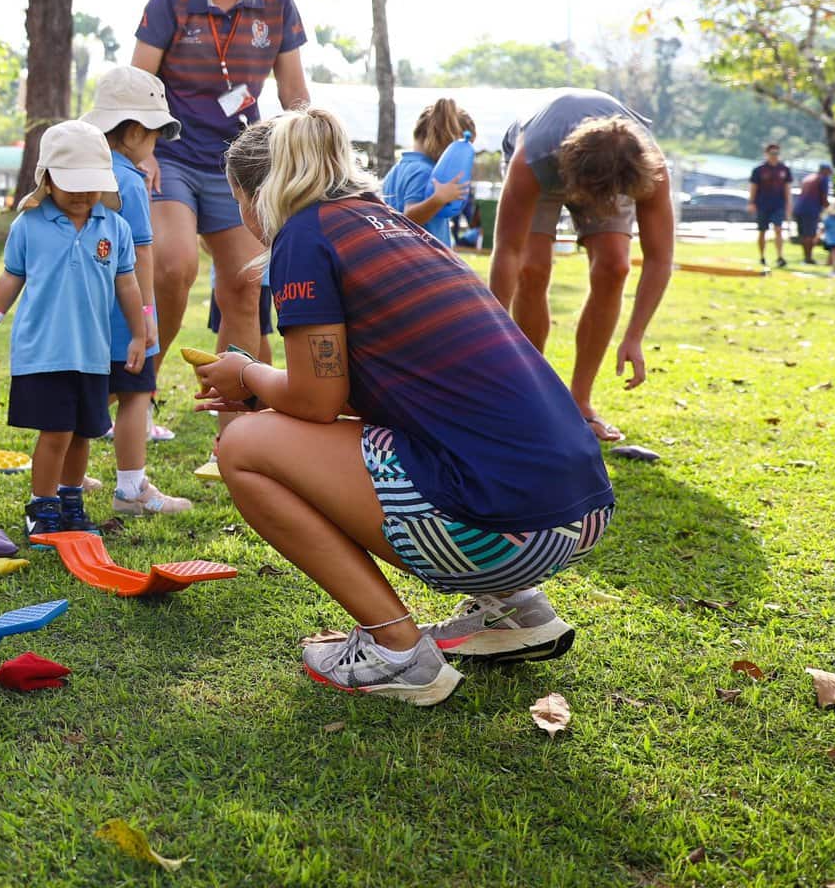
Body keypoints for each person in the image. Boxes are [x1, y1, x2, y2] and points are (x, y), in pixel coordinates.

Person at [196, 109, 613, 706]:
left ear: (256, 193)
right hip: (576, 513)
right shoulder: (389, 224)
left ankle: (395, 652)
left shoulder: (304, 236)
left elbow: (316, 400)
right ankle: (511, 612)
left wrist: (246, 374)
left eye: (237, 200)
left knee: (243, 447)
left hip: (501, 529)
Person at [130, 0, 310, 426]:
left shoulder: (276, 3)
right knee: (175, 264)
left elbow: (295, 94)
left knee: (245, 283)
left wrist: (304, 155)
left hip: (238, 166)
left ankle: (234, 424)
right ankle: (140, 390)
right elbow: (139, 82)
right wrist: (141, 151)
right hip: (175, 156)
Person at [0, 120, 147, 537]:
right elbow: (12, 277)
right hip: (44, 352)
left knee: (84, 432)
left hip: (93, 354)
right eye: (73, 183)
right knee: (57, 431)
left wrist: (139, 333)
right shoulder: (28, 226)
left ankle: (70, 501)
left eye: (92, 184)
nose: (84, 193)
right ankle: (41, 507)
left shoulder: (114, 228)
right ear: (47, 178)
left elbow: (127, 284)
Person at [488, 89, 674, 444]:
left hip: (611, 167)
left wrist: (634, 336)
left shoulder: (649, 166)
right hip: (552, 160)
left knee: (614, 267)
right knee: (532, 269)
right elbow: (507, 250)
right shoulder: (532, 158)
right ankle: (534, 398)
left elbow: (659, 258)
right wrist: (493, 331)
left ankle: (580, 402)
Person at [80, 66, 190, 516]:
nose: (155, 145)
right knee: (134, 393)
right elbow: (142, 253)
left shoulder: (81, 174)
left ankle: (68, 477)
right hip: (124, 315)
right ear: (132, 131)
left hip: (86, 314)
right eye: (154, 135)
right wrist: (146, 316)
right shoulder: (129, 179)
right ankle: (130, 490)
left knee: (88, 396)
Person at [380, 98, 476, 248]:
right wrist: (438, 199)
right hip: (423, 262)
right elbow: (409, 218)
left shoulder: (399, 168)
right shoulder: (424, 172)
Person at [749, 141, 793, 269]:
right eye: (772, 153)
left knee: (778, 229)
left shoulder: (784, 169)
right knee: (762, 231)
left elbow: (787, 188)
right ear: (766, 154)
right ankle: (762, 257)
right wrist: (751, 202)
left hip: (778, 205)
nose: (774, 155)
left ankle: (780, 257)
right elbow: (753, 187)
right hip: (762, 204)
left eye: (777, 153)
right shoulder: (759, 170)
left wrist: (789, 204)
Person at [792, 161, 833, 264]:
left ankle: (806, 258)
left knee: (804, 235)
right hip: (810, 210)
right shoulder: (823, 179)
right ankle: (808, 258)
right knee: (810, 235)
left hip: (798, 209)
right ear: (825, 170)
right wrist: (832, 210)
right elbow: (824, 198)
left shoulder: (809, 178)